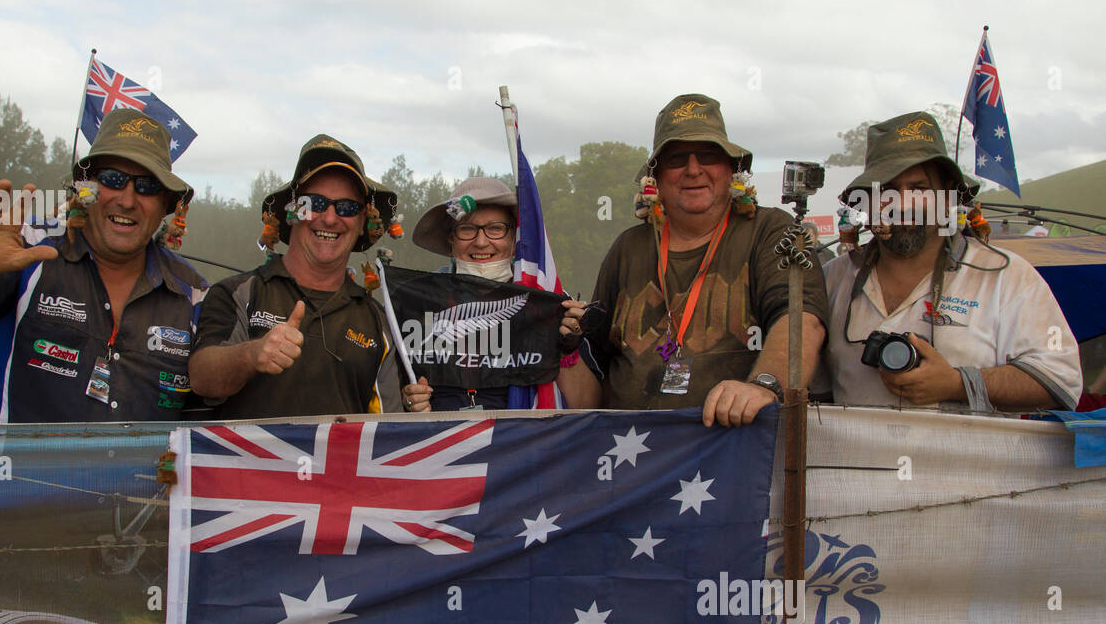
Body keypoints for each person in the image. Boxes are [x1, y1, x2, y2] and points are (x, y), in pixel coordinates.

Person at [560, 94, 828, 426]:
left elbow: (802, 322)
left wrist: (765, 385)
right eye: (676, 159)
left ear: (732, 168)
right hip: (633, 454)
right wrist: (566, 345)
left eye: (708, 155)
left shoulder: (772, 231)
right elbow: (596, 365)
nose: (693, 169)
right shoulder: (627, 248)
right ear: (655, 177)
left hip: (732, 451)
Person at [0, 108, 208, 423]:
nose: (127, 200)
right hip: (12, 473)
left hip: (138, 475)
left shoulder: (195, 294)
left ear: (166, 206)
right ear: (84, 189)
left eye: (148, 187)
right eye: (113, 180)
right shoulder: (27, 245)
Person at [822, 109, 1081, 412]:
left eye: (918, 188)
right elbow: (809, 388)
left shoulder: (1007, 277)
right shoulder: (834, 278)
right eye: (886, 190)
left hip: (966, 461)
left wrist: (958, 384)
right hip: (851, 460)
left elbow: (1061, 381)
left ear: (947, 197)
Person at [189, 134, 405, 418]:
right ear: (292, 211)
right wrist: (252, 355)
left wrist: (419, 404)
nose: (329, 218)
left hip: (343, 463)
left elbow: (389, 425)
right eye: (314, 203)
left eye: (347, 207)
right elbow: (202, 379)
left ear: (363, 221)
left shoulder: (378, 319)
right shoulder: (239, 293)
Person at [400, 177, 587, 412]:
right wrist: (409, 402)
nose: (480, 242)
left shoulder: (550, 303)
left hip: (522, 442)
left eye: (495, 229)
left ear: (515, 239)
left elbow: (587, 405)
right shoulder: (417, 302)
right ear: (451, 239)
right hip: (444, 443)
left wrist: (567, 349)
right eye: (467, 228)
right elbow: (389, 396)